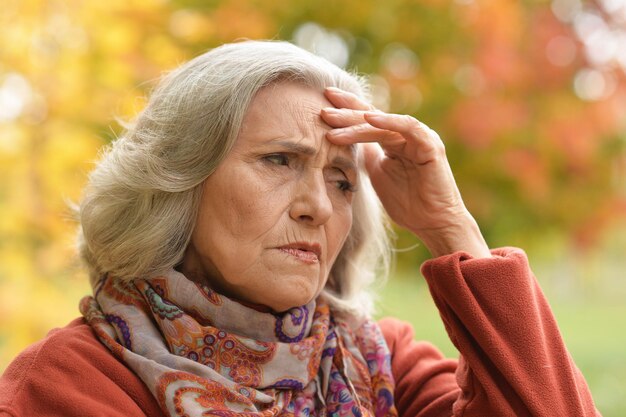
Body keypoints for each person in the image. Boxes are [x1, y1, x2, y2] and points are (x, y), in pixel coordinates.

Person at [0, 40, 600, 417]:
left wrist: (452, 228)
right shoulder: (70, 383)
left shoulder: (382, 360)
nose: (317, 205)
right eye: (279, 160)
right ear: (179, 179)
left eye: (341, 179)